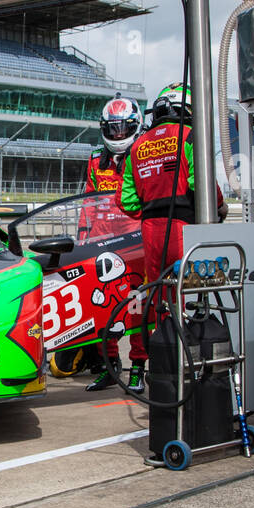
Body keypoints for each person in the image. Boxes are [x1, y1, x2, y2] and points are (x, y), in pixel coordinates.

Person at [119, 82, 226, 385]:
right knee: (195, 296)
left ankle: (164, 370)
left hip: (150, 233)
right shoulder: (190, 135)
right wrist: (219, 206)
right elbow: (201, 184)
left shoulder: (137, 145)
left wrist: (152, 206)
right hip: (184, 228)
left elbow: (126, 201)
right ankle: (195, 369)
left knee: (160, 301)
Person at [81, 95, 146, 392]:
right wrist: (83, 239)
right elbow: (88, 202)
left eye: (123, 128)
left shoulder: (143, 153)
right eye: (113, 129)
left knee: (137, 307)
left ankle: (138, 368)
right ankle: (110, 366)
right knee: (101, 307)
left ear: (135, 125)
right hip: (103, 243)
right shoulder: (96, 159)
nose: (118, 135)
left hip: (135, 244)